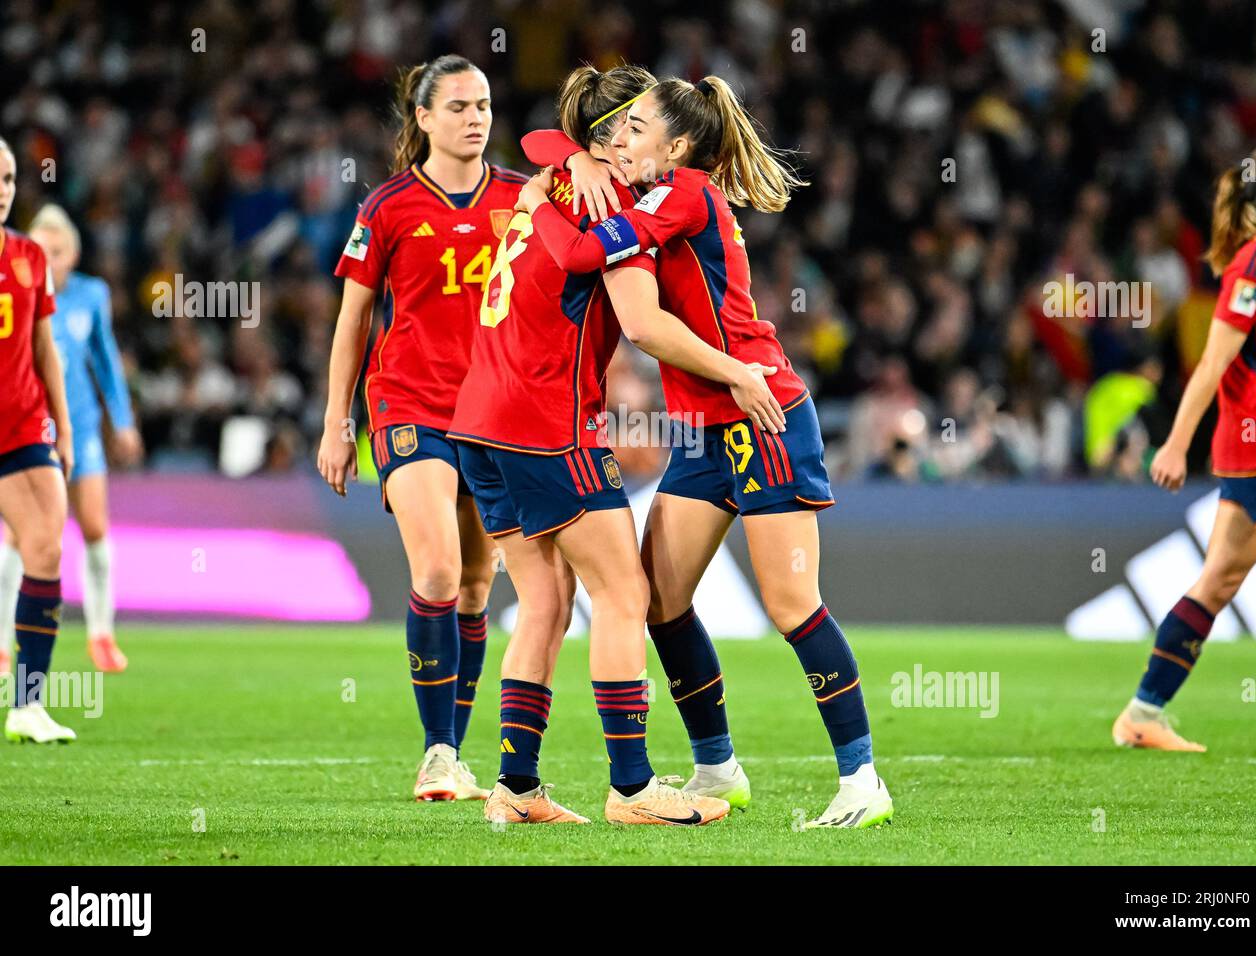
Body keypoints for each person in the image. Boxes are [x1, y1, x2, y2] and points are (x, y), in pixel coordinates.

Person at [522, 76, 895, 829]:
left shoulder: (682, 194)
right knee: (658, 602)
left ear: (678, 146)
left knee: (793, 606)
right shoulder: (646, 196)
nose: (619, 140)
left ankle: (862, 782)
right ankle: (718, 768)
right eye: (615, 132)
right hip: (702, 432)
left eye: (634, 130)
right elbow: (540, 142)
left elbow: (605, 274)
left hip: (762, 414)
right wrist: (578, 162)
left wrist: (541, 202)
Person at [450, 64, 779, 825]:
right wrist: (736, 370)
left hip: (479, 417)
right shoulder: (619, 199)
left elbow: (541, 141)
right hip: (545, 421)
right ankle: (632, 788)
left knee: (544, 603)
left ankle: (517, 788)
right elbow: (636, 319)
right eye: (633, 124)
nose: (641, 139)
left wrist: (564, 162)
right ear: (618, 132)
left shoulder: (556, 182)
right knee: (625, 594)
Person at [317, 56, 533, 801]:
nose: (477, 118)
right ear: (424, 118)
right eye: (461, 106)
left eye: (485, 105)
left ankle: (455, 752)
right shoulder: (388, 207)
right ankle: (438, 752)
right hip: (410, 406)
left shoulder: (522, 199)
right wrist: (337, 422)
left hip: (496, 415)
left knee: (477, 587)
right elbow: (352, 321)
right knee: (438, 571)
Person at [1113, 141, 1256, 752]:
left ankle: (1143, 713)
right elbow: (1213, 361)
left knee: (1216, 581)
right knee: (1216, 581)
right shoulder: (1255, 268)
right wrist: (1173, 444)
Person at [0, 204, 141, 677]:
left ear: (74, 255)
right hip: (26, 429)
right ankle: (3, 643)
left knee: (95, 527)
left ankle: (101, 634)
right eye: (41, 249)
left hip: (80, 427)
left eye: (57, 251)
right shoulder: (15, 290)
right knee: (23, 536)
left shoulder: (91, 296)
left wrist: (121, 421)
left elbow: (106, 362)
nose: (49, 259)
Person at [0, 138, 77, 743]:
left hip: (23, 426)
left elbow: (44, 348)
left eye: (7, 179)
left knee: (46, 551)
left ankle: (27, 703)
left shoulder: (29, 257)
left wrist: (65, 426)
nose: (2, 190)